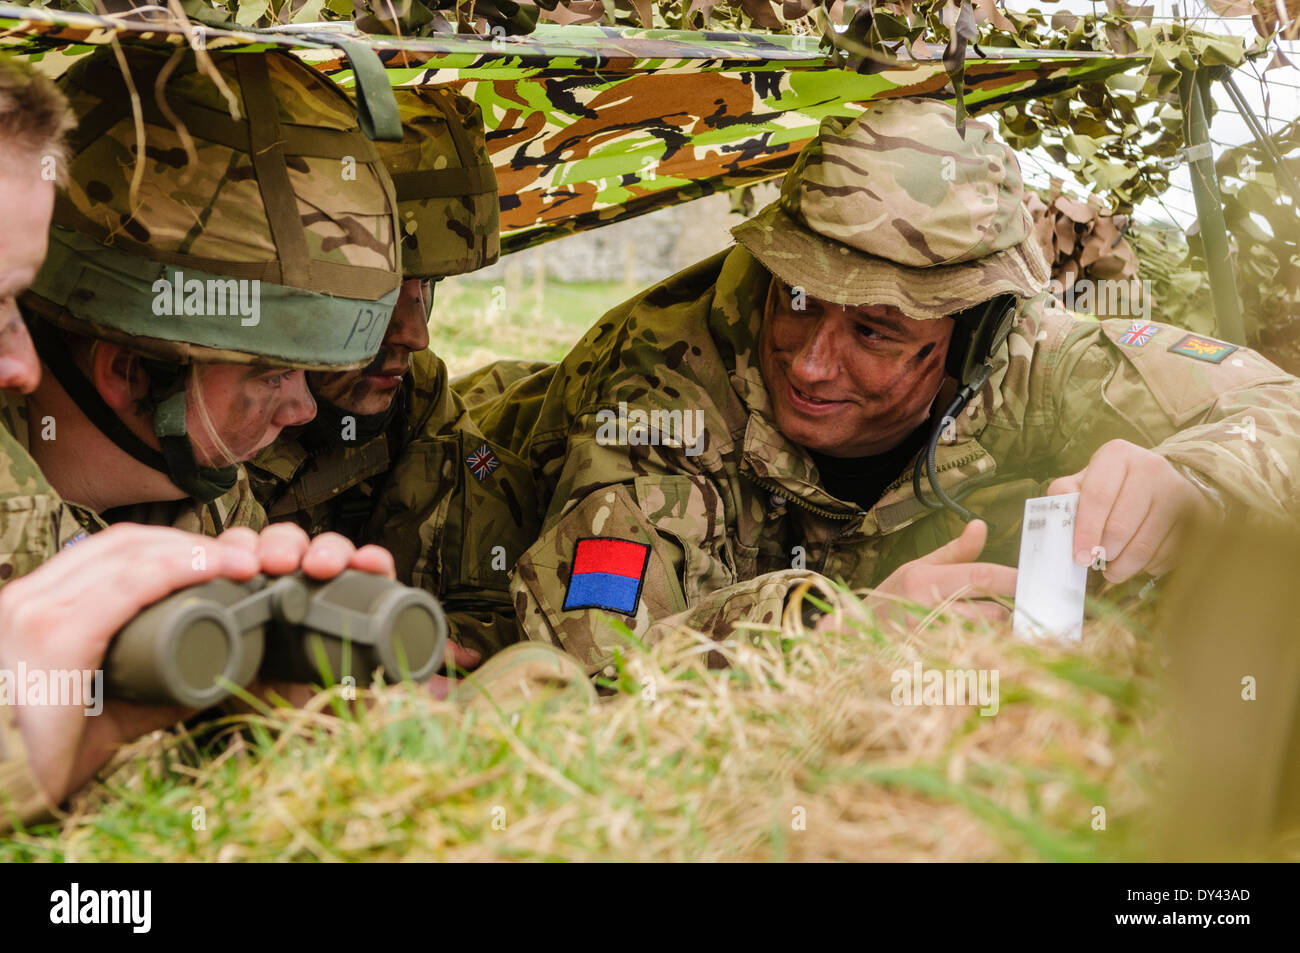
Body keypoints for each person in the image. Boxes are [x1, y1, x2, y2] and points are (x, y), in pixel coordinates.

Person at [479, 98, 1300, 673]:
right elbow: (591, 666)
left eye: (874, 331)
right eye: (794, 299)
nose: (808, 361)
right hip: (453, 491)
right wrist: (836, 631)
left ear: (967, 329)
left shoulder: (1028, 354)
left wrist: (1195, 480)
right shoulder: (663, 388)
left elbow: (1275, 408)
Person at [0, 45, 405, 829]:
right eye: (270, 376)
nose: (306, 412)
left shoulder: (202, 503)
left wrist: (282, 720)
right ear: (125, 371)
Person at [248, 87, 541, 661]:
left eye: (423, 293)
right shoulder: (214, 417)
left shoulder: (418, 395)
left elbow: (496, 605)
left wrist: (408, 650)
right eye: (379, 296)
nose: (415, 335)